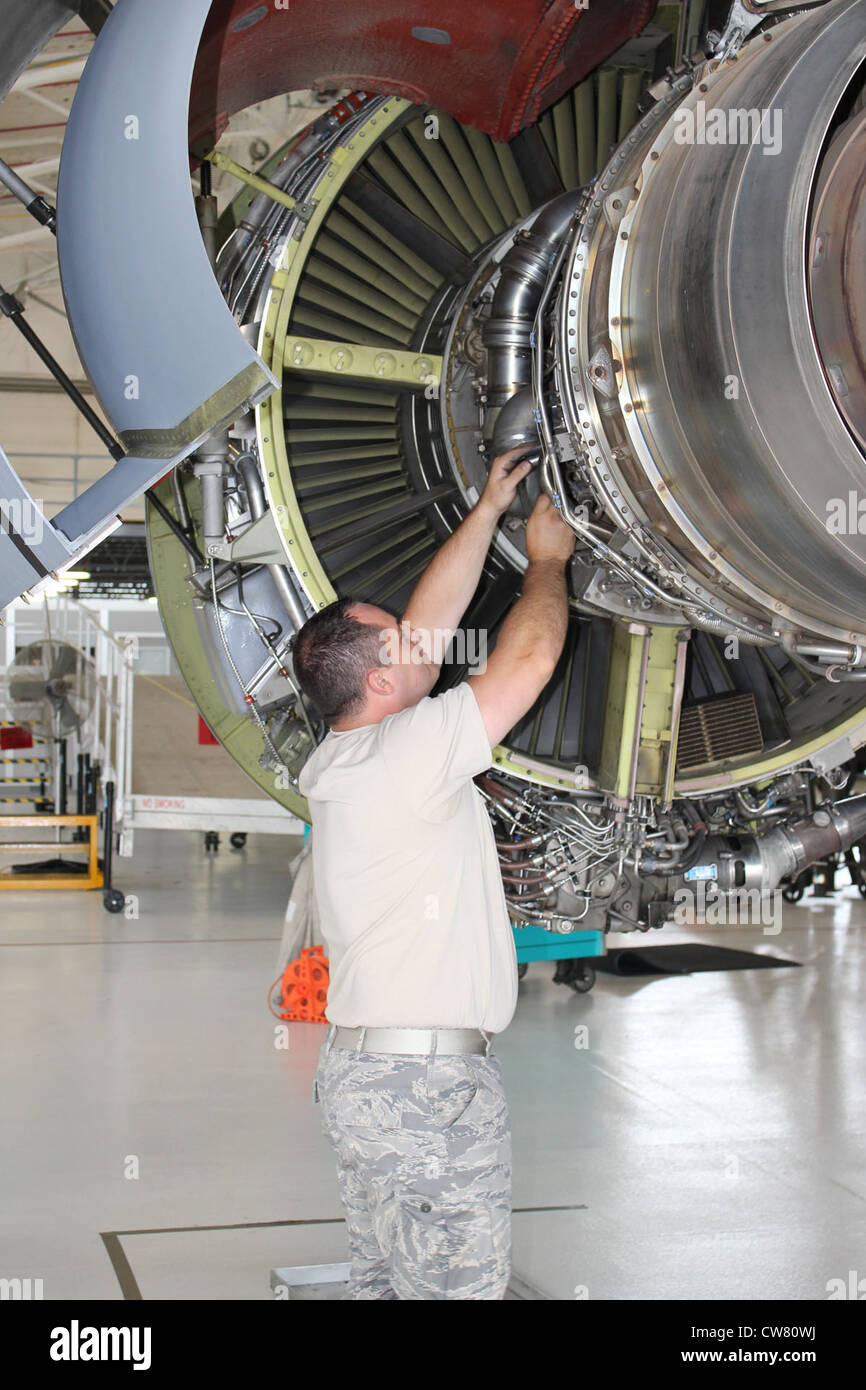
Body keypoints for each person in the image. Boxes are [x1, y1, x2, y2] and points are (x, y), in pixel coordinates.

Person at [292, 446, 574, 1299]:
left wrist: (487, 511)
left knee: (384, 1284)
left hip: (366, 1079)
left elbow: (427, 623)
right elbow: (526, 665)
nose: (423, 638)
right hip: (425, 1089)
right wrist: (547, 564)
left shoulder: (346, 755)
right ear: (382, 680)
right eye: (402, 640)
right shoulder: (406, 752)